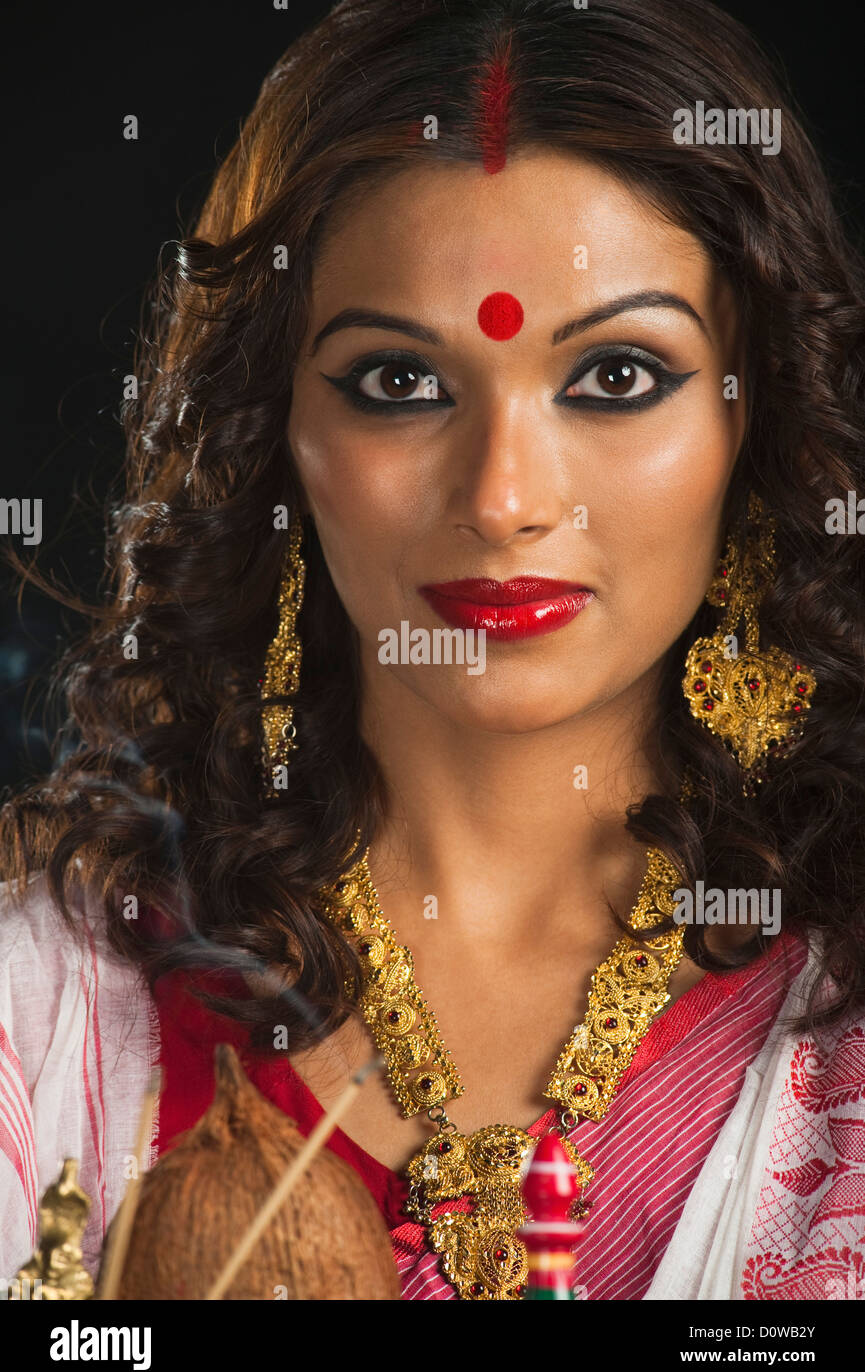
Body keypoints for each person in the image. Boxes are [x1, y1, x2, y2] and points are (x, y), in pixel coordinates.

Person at [2, 0, 864, 1302]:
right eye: (399, 382)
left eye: (616, 377)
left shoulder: (839, 1004)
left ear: (758, 431)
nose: (504, 495)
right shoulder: (47, 995)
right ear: (273, 434)